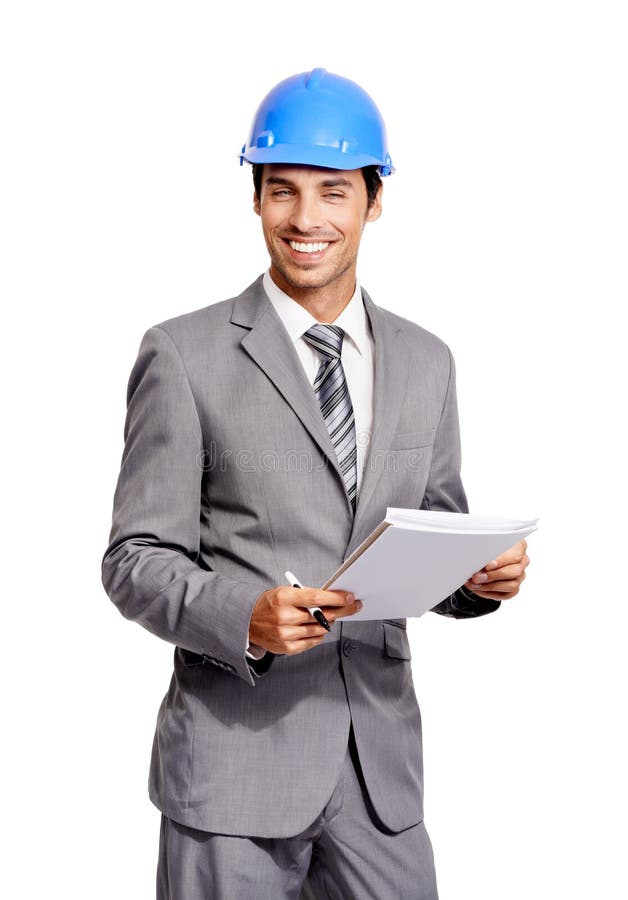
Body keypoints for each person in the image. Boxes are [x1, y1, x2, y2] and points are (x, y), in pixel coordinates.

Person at [102, 68, 530, 900]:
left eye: (333, 192)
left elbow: (432, 529)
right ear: (255, 198)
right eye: (282, 191)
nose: (305, 219)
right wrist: (245, 617)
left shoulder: (427, 361)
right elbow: (134, 560)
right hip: (233, 771)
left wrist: (474, 580)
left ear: (375, 201)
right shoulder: (183, 356)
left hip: (379, 778)